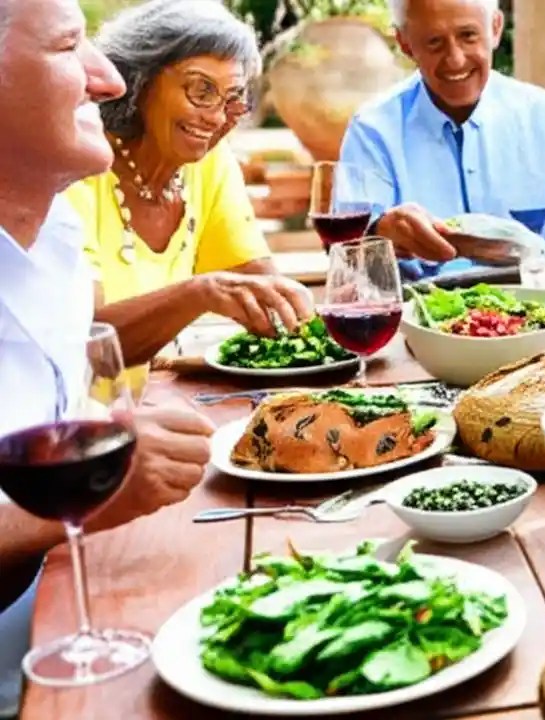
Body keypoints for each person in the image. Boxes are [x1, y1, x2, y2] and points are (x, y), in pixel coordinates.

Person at [0, 0, 215, 714]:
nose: (109, 79)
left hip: (72, 620)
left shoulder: (52, 225)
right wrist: (106, 488)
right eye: (68, 47)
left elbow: (75, 417)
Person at [61, 0, 313, 372]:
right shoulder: (79, 165)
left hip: (163, 400)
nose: (216, 116)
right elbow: (84, 344)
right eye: (201, 89)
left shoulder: (209, 164)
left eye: (233, 98)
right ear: (139, 80)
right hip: (78, 418)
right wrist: (198, 294)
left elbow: (268, 302)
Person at [339, 0, 545, 281]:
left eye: (468, 36)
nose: (455, 59)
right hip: (421, 322)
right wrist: (381, 231)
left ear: (495, 27)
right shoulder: (373, 130)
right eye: (434, 42)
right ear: (404, 43)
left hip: (542, 322)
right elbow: (346, 260)